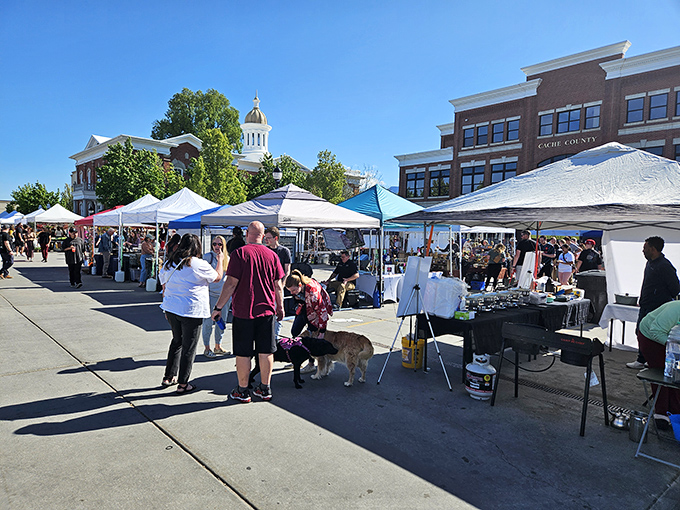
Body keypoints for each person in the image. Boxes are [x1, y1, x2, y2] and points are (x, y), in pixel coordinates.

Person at [212, 221, 284, 403]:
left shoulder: (239, 254)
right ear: (262, 235)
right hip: (267, 311)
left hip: (244, 311)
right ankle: (265, 388)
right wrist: (280, 307)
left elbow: (230, 284)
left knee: (243, 352)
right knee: (266, 350)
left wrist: (218, 307)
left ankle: (243, 391)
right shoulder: (272, 255)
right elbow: (278, 286)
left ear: (247, 234)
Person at [159, 233, 224, 394]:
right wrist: (221, 260)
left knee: (177, 341)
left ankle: (169, 376)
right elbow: (218, 277)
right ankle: (183, 383)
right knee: (189, 347)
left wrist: (167, 304)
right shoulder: (198, 264)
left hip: (171, 307)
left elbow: (164, 285)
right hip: (191, 310)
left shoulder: (170, 263)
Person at [627, 236, 680, 369]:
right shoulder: (650, 263)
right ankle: (642, 359)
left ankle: (647, 359)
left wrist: (659, 297)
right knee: (640, 331)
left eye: (645, 248)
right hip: (645, 304)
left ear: (653, 249)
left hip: (658, 307)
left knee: (652, 333)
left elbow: (675, 288)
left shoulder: (665, 266)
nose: (643, 251)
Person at [637, 300, 680, 430]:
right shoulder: (675, 310)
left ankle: (675, 410)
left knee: (677, 374)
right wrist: (674, 348)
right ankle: (661, 413)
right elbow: (656, 331)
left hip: (673, 340)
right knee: (662, 374)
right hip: (651, 337)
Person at [202, 235, 230, 357]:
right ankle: (207, 348)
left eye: (220, 244)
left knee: (221, 323)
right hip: (210, 294)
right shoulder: (208, 257)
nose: (217, 247)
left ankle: (218, 346)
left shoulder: (228, 258)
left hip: (224, 296)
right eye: (214, 244)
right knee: (208, 322)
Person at [264, 226, 291, 338]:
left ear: (275, 238)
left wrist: (282, 284)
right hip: (266, 286)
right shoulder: (265, 250)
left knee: (278, 313)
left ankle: (275, 337)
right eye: (265, 238)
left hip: (278, 285)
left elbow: (287, 270)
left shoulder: (284, 251)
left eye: (268, 238)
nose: (266, 240)